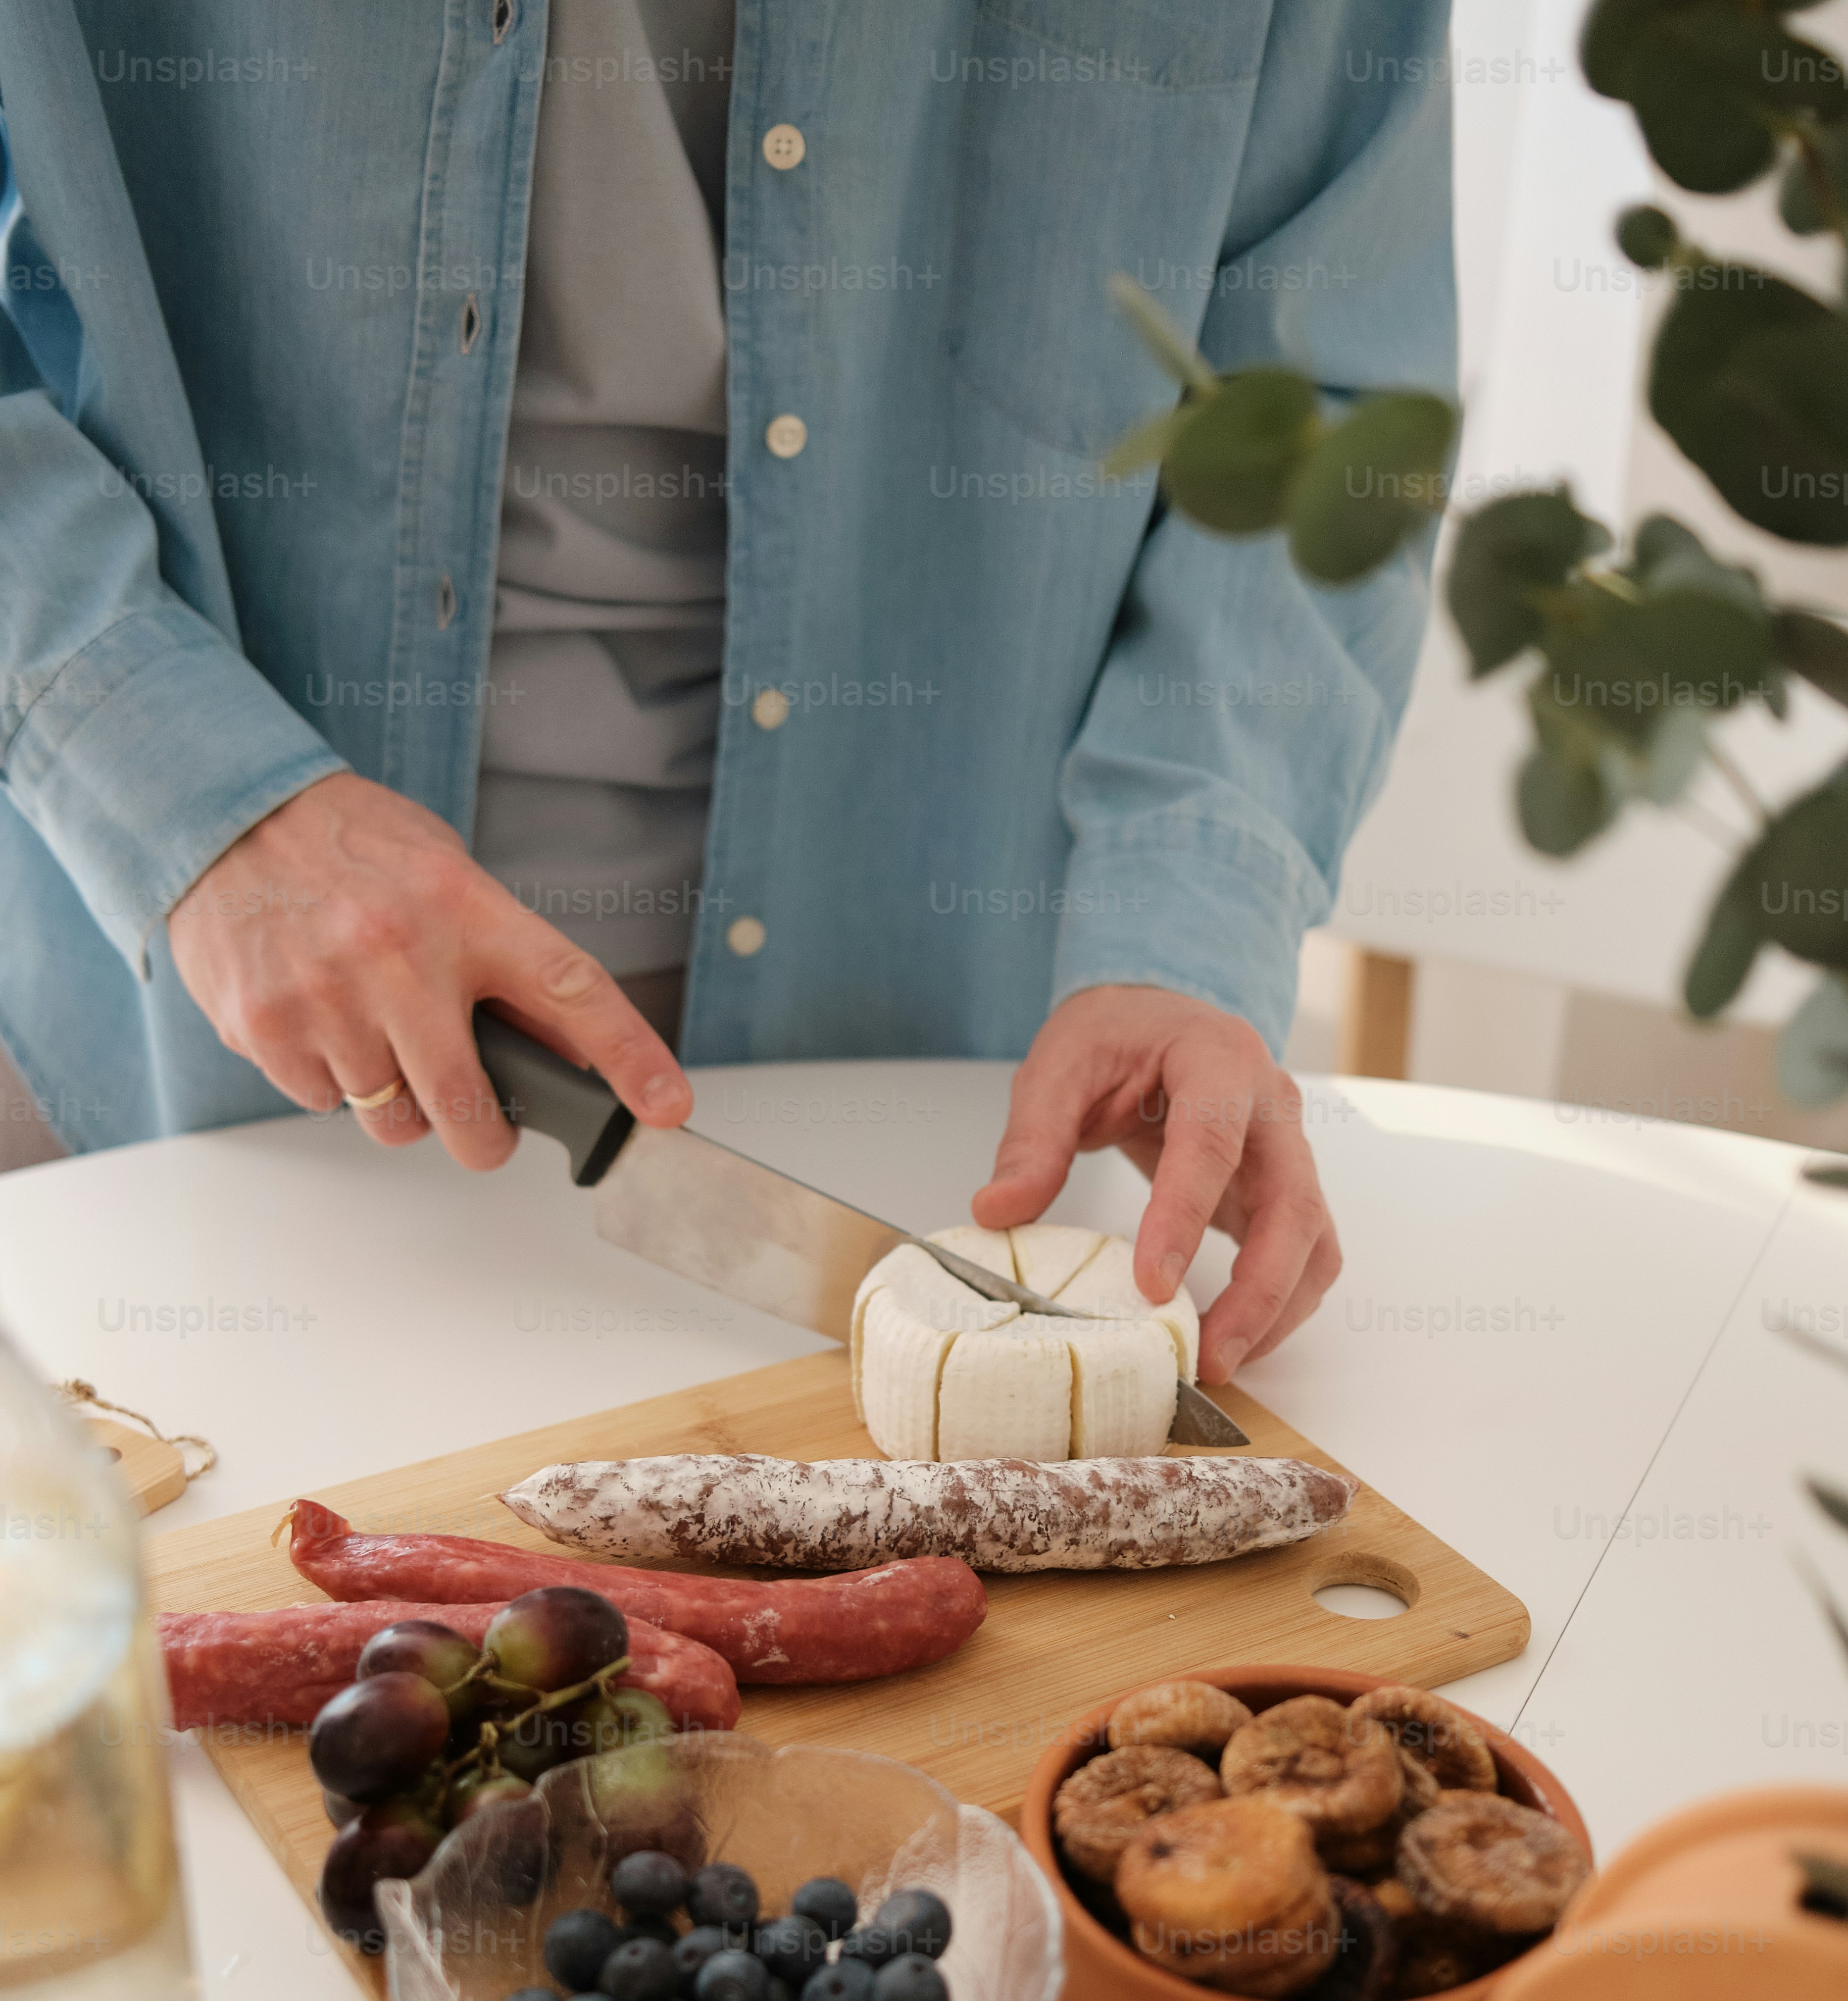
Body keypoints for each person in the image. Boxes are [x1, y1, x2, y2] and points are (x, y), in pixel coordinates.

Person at [0, 1, 1452, 1383]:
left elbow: (1331, 417)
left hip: (973, 1063)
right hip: (202, 1063)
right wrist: (188, 789)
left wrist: (1189, 912)